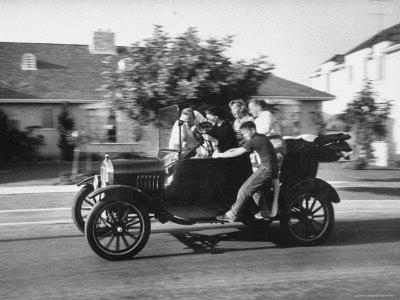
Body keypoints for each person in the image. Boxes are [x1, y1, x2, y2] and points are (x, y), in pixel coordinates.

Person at [213, 121, 280, 222]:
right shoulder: (260, 137)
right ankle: (265, 213)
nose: (244, 135)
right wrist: (223, 153)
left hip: (266, 168)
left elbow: (237, 153)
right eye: (242, 133)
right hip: (271, 168)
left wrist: (219, 155)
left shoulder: (254, 140)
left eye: (245, 133)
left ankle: (232, 214)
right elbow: (237, 149)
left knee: (244, 190)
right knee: (256, 191)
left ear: (253, 130)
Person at [248, 98, 286, 164]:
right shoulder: (256, 120)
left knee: (270, 168)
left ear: (258, 107)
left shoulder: (266, 114)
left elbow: (266, 129)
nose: (250, 111)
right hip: (264, 147)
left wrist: (253, 138)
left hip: (274, 145)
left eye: (251, 108)